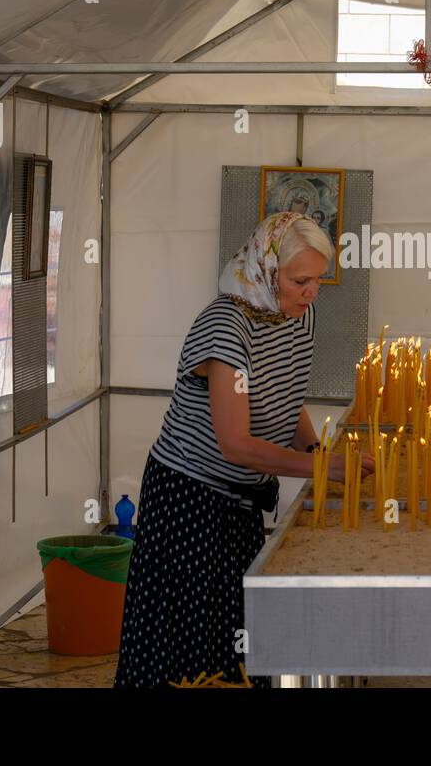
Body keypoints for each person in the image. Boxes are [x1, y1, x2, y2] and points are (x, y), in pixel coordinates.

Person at [114, 212, 373, 688]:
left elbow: (283, 396)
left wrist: (318, 449)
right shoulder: (226, 328)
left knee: (238, 628)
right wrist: (324, 467)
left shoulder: (298, 315)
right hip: (189, 500)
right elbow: (234, 442)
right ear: (268, 270)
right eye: (300, 281)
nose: (311, 292)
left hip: (241, 500)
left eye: (318, 281)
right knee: (191, 639)